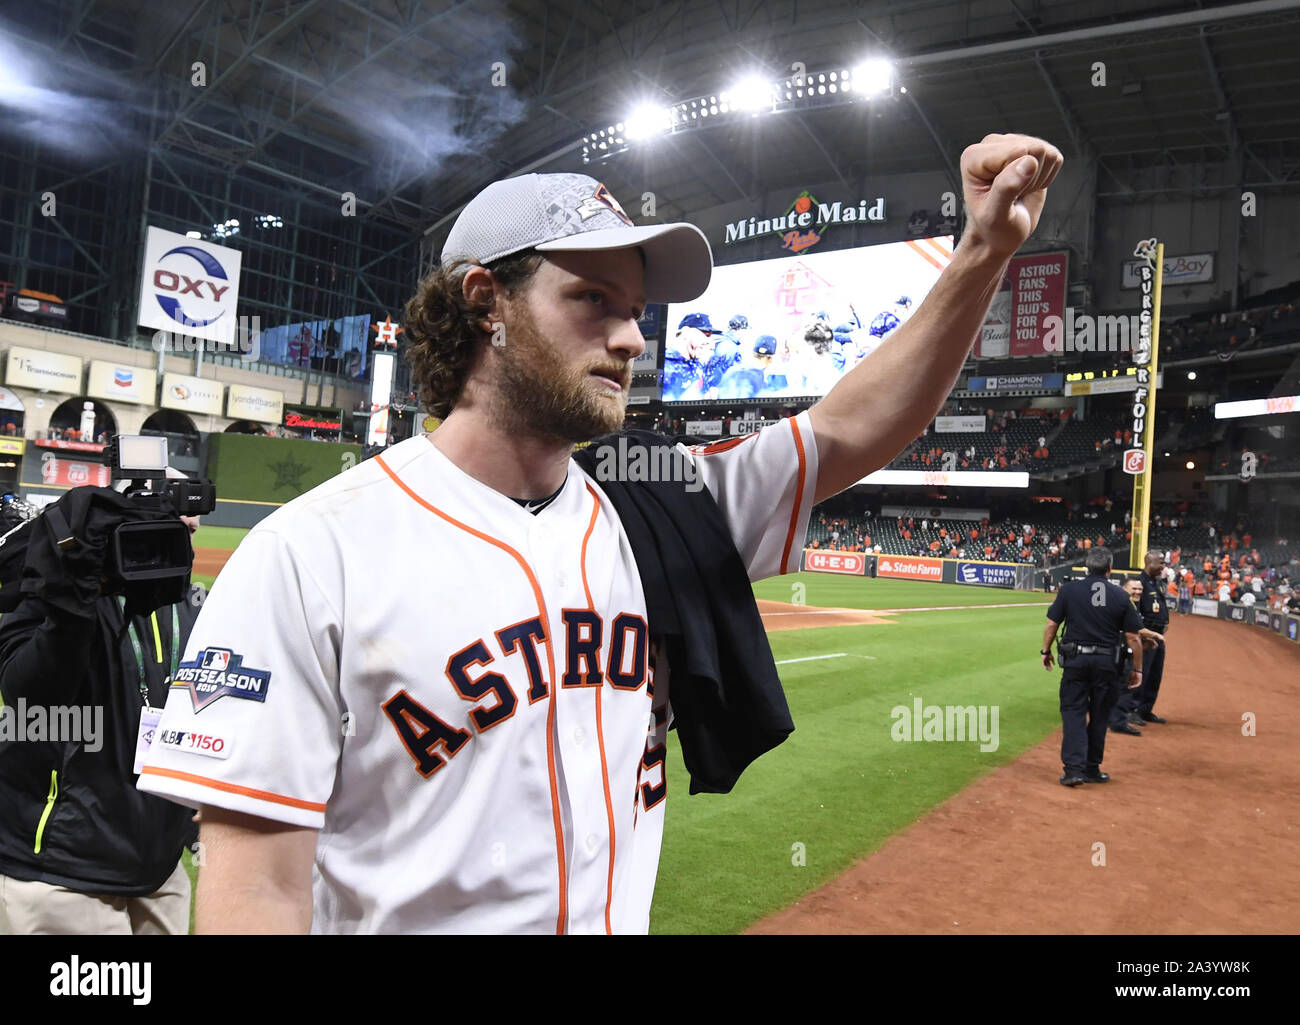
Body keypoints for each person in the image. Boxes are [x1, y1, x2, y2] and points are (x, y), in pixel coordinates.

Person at [138, 138, 1064, 933]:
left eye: (636, 311)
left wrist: (979, 255)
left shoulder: (663, 509)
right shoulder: (311, 553)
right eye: (593, 300)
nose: (631, 338)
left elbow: (853, 428)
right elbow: (254, 890)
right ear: (484, 303)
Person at [0, 473, 203, 934]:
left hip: (159, 864)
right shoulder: (56, 585)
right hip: (61, 871)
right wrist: (74, 598)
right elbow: (32, 704)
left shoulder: (188, 602)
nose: (182, 522)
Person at [1041, 548, 1143, 786]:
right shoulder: (1121, 595)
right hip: (1107, 663)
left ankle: (1074, 770)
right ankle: (1092, 769)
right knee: (1100, 715)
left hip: (1076, 661)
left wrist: (1045, 651)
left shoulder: (1069, 590)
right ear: (1110, 569)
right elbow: (1134, 637)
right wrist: (1137, 669)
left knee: (1073, 712)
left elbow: (1051, 625)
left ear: (1086, 566)